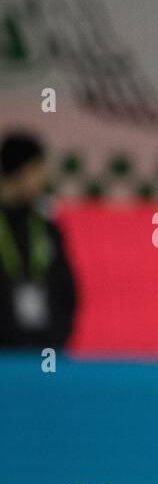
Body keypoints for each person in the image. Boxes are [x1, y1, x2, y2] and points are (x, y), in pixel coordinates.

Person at [0, 131, 77, 349]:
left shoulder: (46, 228)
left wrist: (57, 340)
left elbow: (67, 292)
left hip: (45, 349)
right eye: (36, 171)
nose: (42, 179)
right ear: (20, 171)